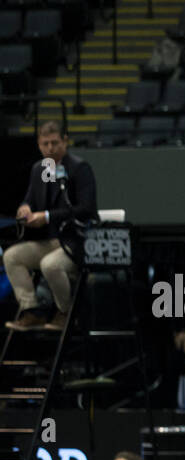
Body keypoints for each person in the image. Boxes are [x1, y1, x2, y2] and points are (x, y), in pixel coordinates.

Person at [4, 121, 97, 332]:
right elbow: (28, 200)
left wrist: (46, 216)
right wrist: (25, 209)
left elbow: (86, 208)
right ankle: (32, 311)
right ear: (38, 145)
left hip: (74, 242)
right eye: (45, 144)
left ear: (65, 141)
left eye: (55, 143)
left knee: (49, 264)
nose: (50, 148)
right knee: (11, 257)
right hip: (47, 240)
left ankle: (65, 312)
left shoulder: (79, 168)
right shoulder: (39, 170)